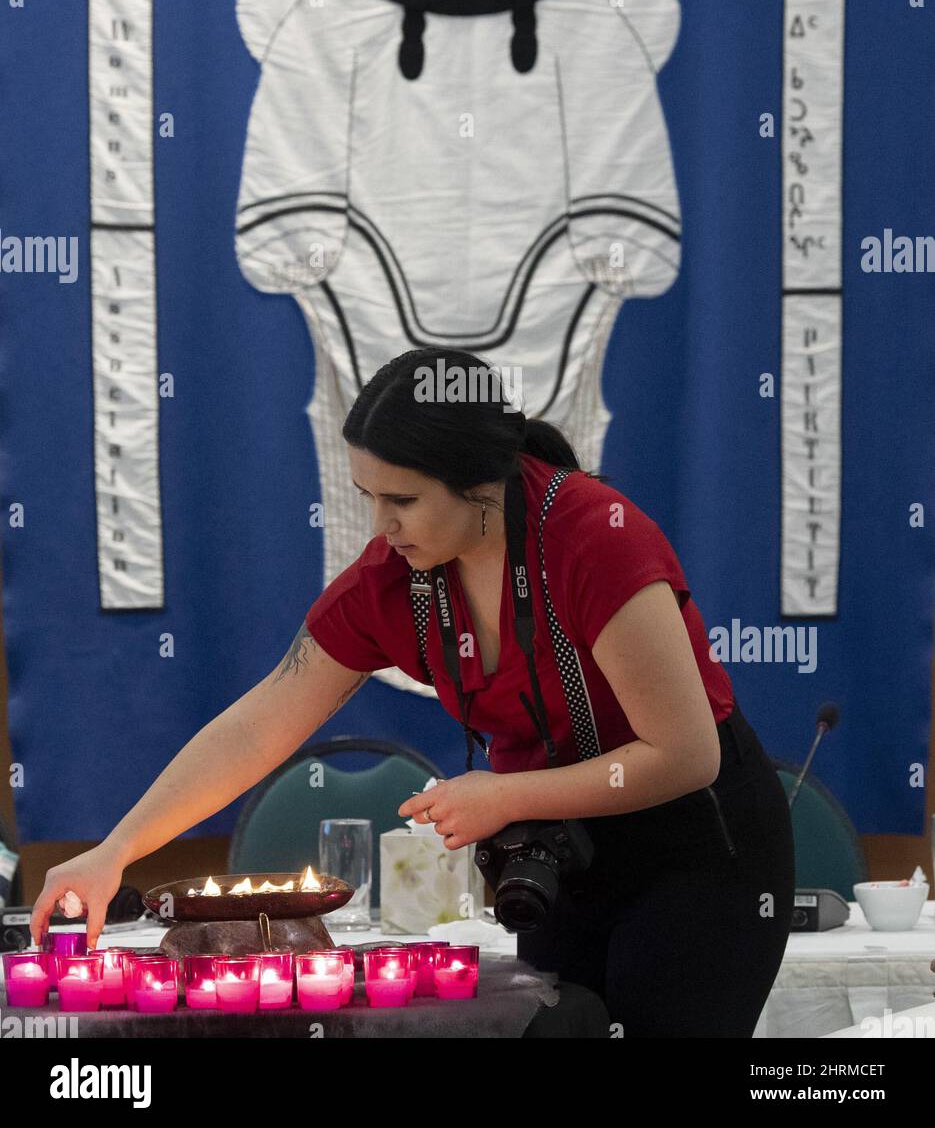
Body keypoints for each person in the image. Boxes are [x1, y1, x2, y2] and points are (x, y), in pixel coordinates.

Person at [32, 346, 794, 1037]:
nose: (381, 524)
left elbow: (684, 754)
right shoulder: (393, 577)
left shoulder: (597, 537)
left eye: (402, 499)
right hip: (558, 853)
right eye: (368, 495)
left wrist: (505, 797)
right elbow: (260, 723)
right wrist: (117, 849)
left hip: (698, 841)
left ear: (481, 486)